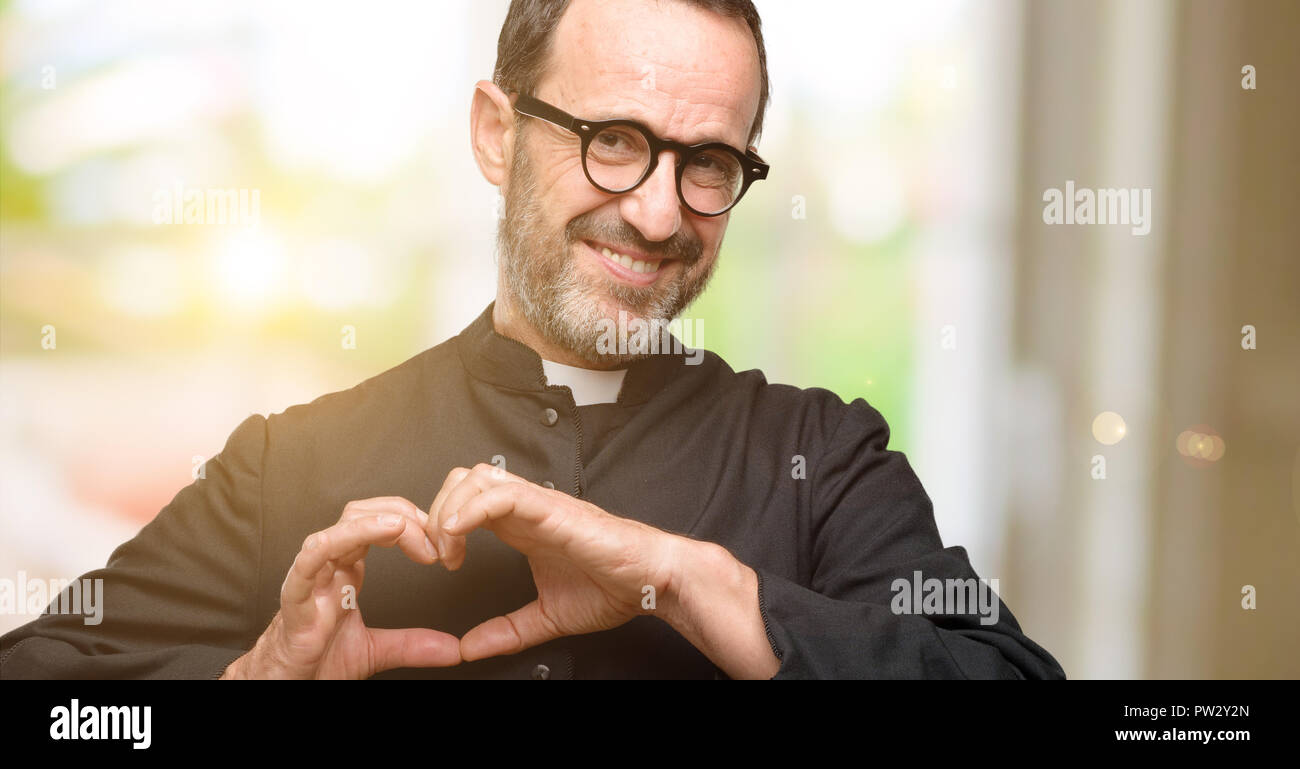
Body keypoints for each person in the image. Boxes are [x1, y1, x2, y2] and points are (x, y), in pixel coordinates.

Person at [0, 0, 1065, 680]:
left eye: (707, 164)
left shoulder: (824, 459)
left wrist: (690, 580)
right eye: (614, 143)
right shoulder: (289, 463)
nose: (658, 214)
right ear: (496, 135)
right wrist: (252, 681)